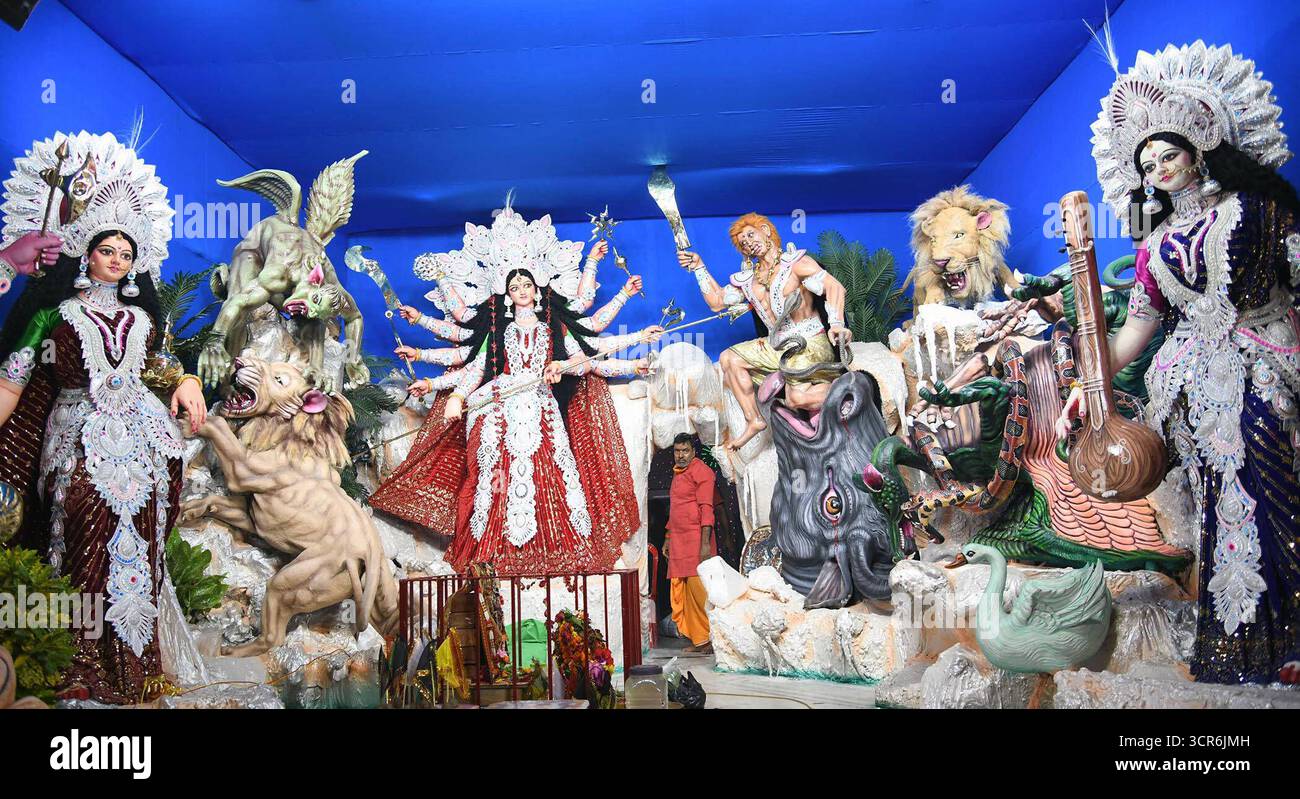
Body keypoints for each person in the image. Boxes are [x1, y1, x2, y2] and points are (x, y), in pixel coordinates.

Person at [1060, 41, 1299, 684]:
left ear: (1198, 150)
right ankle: (1243, 646)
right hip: (1195, 391)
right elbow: (1135, 330)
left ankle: (1291, 637)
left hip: (1265, 369)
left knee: (1274, 485)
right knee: (1220, 505)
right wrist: (1088, 381)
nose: (1160, 168)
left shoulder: (1259, 211)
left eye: (1169, 154)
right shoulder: (1155, 246)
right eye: (1147, 162)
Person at [0, 131, 204, 702]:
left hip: (141, 440)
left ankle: (137, 665)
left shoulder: (141, 319)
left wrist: (186, 380)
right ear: (85, 253)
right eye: (105, 250)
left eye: (125, 254)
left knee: (149, 519)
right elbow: (14, 378)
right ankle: (80, 661)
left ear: (135, 264)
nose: (115, 261)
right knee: (84, 508)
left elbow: (161, 364)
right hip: (77, 437)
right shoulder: (53, 314)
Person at [368, 204, 660, 575]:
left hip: (540, 408)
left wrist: (635, 343)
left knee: (549, 472)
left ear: (536, 290)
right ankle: (491, 551)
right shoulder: (497, 331)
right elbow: (472, 366)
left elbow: (588, 356)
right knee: (495, 476)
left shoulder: (554, 327)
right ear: (507, 295)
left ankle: (551, 547)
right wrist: (452, 394)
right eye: (514, 286)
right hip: (499, 407)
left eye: (526, 285)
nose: (521, 290)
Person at [678, 213, 852, 450]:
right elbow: (717, 302)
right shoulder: (749, 280)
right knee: (729, 358)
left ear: (766, 231)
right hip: (778, 345)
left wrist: (837, 324)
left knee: (796, 399)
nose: (747, 242)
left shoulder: (796, 263)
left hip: (809, 341)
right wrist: (699, 267)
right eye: (742, 241)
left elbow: (834, 287)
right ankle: (754, 420)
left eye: (751, 234)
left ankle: (846, 388)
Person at [665, 433, 716, 654]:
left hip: (696, 541)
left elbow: (707, 508)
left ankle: (711, 639)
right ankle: (700, 641)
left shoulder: (702, 472)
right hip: (679, 541)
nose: (681, 455)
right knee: (683, 592)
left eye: (685, 451)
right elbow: (676, 508)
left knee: (700, 593)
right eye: (677, 451)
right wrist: (667, 537)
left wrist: (705, 544)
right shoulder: (677, 475)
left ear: (693, 452)